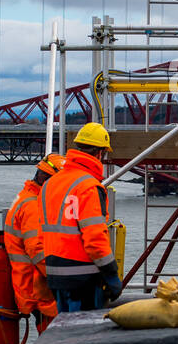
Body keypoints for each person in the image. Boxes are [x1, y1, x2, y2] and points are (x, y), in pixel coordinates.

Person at [40, 123, 122, 311]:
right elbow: (95, 238)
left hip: (55, 276)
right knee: (86, 336)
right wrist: (110, 274)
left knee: (65, 335)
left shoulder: (50, 184)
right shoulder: (89, 187)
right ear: (100, 153)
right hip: (84, 278)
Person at [4, 152, 64, 333]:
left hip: (31, 283)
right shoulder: (34, 206)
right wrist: (62, 277)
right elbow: (37, 249)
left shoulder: (27, 197)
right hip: (39, 288)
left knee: (50, 343)